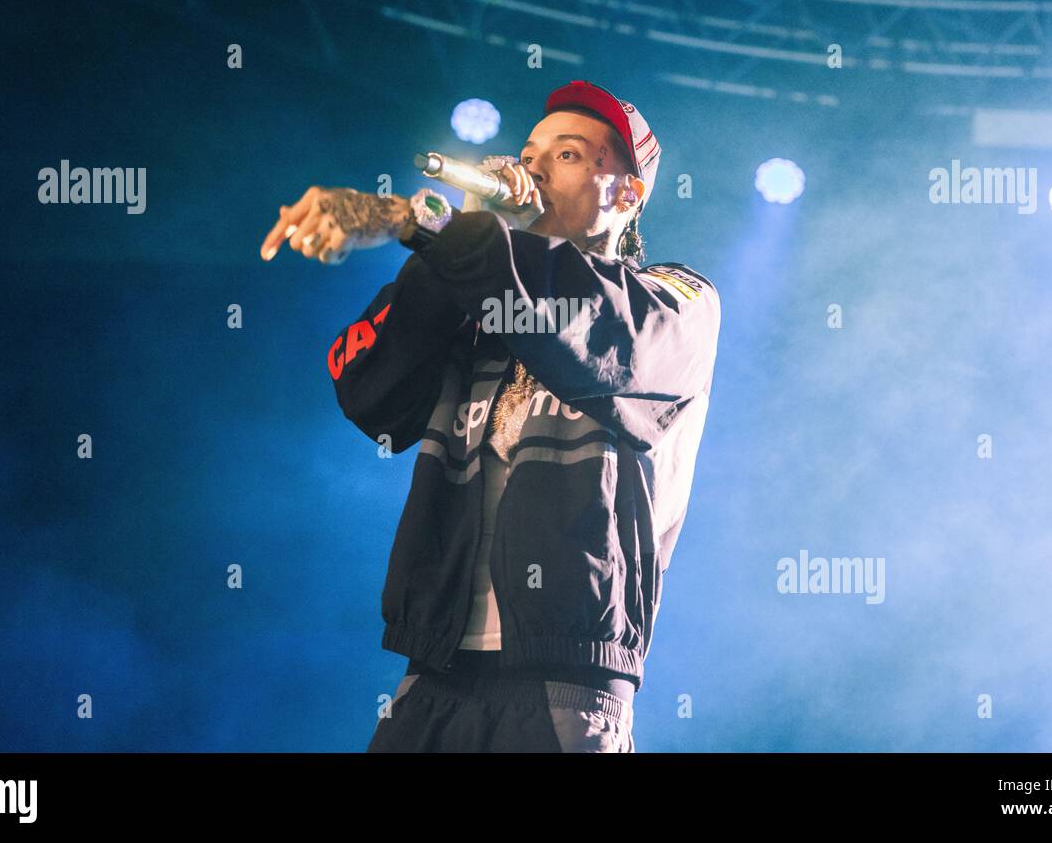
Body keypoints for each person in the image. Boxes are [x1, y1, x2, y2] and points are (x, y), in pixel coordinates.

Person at [260, 81, 720, 751]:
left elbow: (592, 328)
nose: (531, 168)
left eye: (566, 154)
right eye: (528, 152)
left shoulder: (677, 302)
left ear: (628, 191)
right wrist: (455, 246)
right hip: (433, 677)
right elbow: (370, 394)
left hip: (566, 687)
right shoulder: (481, 305)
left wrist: (418, 222)